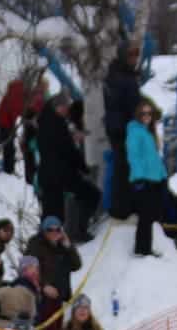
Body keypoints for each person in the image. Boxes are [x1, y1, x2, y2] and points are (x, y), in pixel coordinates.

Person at [36, 94, 96, 240]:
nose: (67, 111)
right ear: (59, 107)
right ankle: (78, 231)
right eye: (65, 108)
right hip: (60, 175)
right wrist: (85, 168)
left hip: (48, 175)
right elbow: (69, 151)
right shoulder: (57, 125)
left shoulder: (45, 121)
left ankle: (47, 242)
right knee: (91, 195)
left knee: (51, 213)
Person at [103, 47, 142, 221]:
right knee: (124, 169)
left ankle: (121, 206)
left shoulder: (115, 75)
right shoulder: (125, 78)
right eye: (131, 55)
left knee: (121, 168)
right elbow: (132, 105)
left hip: (117, 128)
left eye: (136, 55)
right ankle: (123, 207)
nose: (135, 59)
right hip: (124, 129)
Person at [125, 99, 168, 258]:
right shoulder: (135, 131)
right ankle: (142, 249)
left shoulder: (149, 132)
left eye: (149, 113)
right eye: (143, 113)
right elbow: (134, 156)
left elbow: (154, 158)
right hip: (144, 180)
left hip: (155, 179)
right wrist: (139, 178)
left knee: (150, 216)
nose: (147, 116)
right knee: (145, 216)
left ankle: (145, 247)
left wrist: (163, 175)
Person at [22, 216, 82, 302]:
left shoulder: (63, 246)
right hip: (40, 299)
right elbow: (26, 271)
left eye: (57, 229)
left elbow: (77, 266)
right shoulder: (35, 245)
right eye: (50, 229)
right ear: (43, 230)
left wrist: (69, 247)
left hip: (62, 298)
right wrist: (43, 286)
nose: (54, 232)